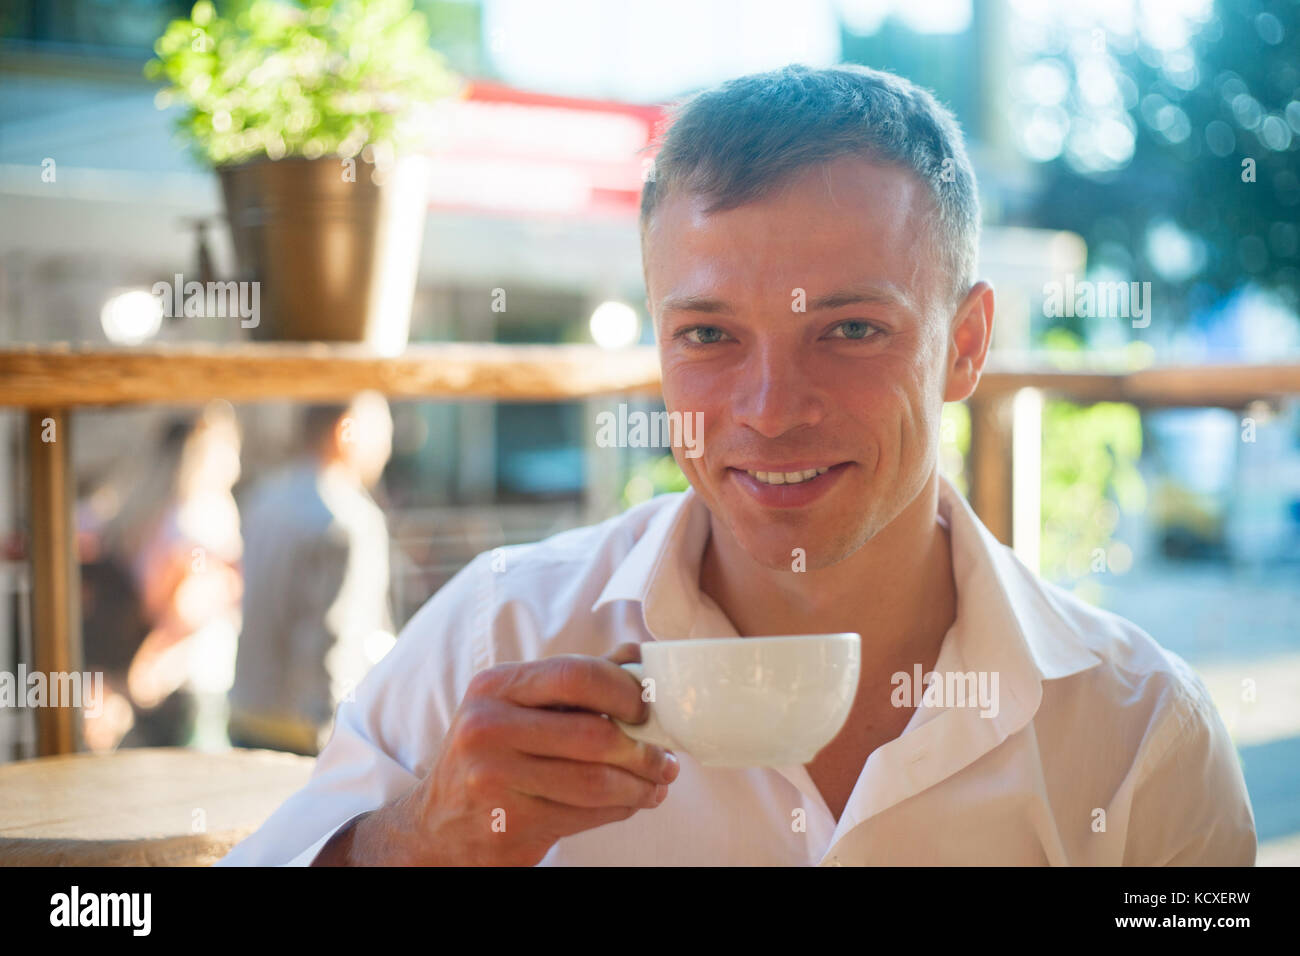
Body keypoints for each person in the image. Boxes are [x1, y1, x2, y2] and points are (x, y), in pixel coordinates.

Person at [219, 64, 1256, 866]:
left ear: (967, 343)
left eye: (850, 329)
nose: (768, 410)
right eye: (710, 337)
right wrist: (414, 840)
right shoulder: (501, 634)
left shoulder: (1137, 736)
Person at [226, 393, 395, 757]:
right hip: (306, 734)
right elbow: (338, 642)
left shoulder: (262, 498)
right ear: (343, 432)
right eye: (381, 430)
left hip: (247, 712)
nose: (387, 445)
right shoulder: (348, 519)